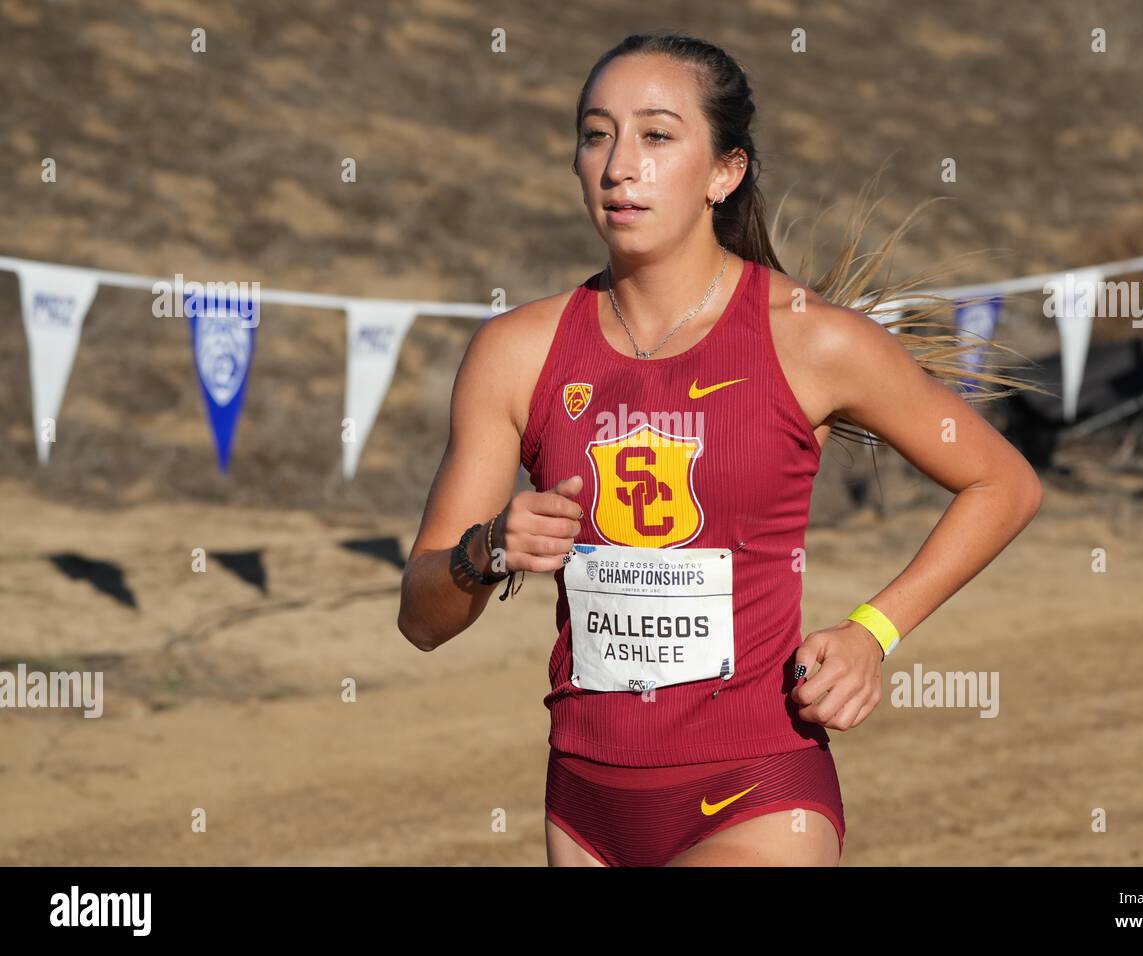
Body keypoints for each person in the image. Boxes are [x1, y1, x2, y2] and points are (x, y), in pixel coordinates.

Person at [397, 32, 1043, 867]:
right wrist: (487, 550)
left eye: (657, 136)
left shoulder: (811, 341)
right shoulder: (515, 353)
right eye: (597, 134)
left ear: (724, 172)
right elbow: (421, 619)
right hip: (586, 802)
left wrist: (871, 632)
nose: (619, 165)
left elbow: (1002, 483)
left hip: (760, 788)